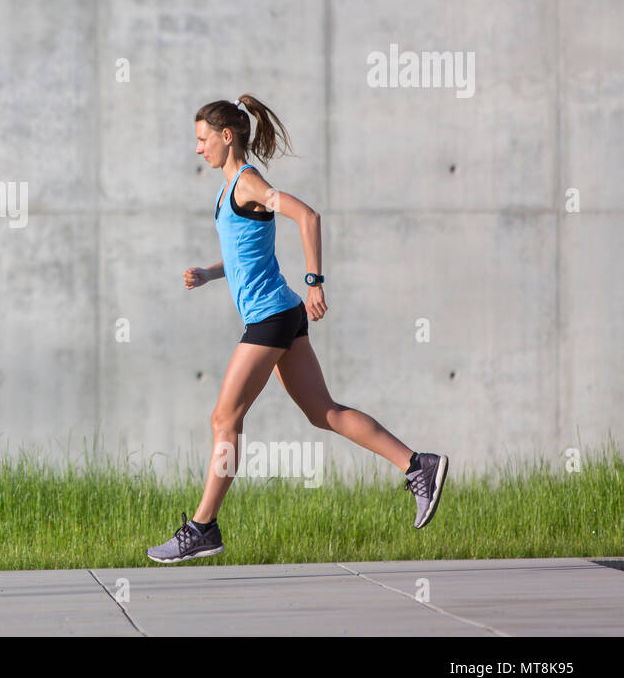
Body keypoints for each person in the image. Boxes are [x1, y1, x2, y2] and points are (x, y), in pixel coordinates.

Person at [146, 95, 447, 563]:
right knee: (323, 412)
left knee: (224, 420)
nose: (198, 149)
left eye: (203, 140)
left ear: (228, 136)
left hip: (271, 317)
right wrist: (209, 273)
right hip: (280, 314)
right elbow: (245, 255)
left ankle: (203, 527)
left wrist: (315, 282)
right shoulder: (230, 191)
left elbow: (308, 216)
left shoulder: (249, 183)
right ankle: (417, 465)